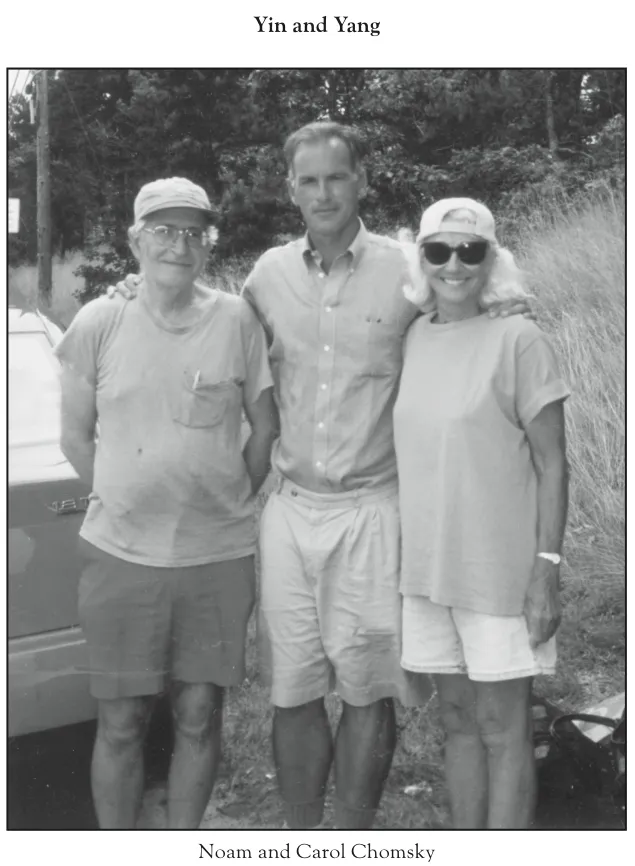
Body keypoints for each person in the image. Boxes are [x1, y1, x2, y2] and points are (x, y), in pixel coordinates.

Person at [111, 123, 532, 829]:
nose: (323, 193)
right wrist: (140, 282)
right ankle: (304, 831)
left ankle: (353, 834)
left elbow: (469, 303)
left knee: (368, 690)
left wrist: (508, 301)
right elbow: (206, 320)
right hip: (289, 508)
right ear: (289, 190)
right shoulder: (264, 277)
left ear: (362, 179)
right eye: (307, 181)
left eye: (336, 177)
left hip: (375, 507)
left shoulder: (410, 268)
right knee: (292, 687)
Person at [56, 177, 278, 829]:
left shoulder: (236, 318)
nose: (178, 245)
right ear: (134, 241)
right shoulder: (99, 320)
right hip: (121, 559)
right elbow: (74, 434)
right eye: (163, 230)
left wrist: (235, 498)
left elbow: (263, 427)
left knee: (198, 714)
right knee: (121, 722)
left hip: (217, 558)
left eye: (194, 232)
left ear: (208, 244)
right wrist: (120, 497)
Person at [394, 198, 570, 829]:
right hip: (429, 572)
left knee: (503, 729)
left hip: (499, 573)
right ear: (422, 259)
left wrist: (546, 570)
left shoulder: (519, 338)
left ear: (492, 259)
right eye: (439, 251)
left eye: (471, 251)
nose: (455, 264)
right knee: (457, 723)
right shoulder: (414, 335)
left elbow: (554, 464)